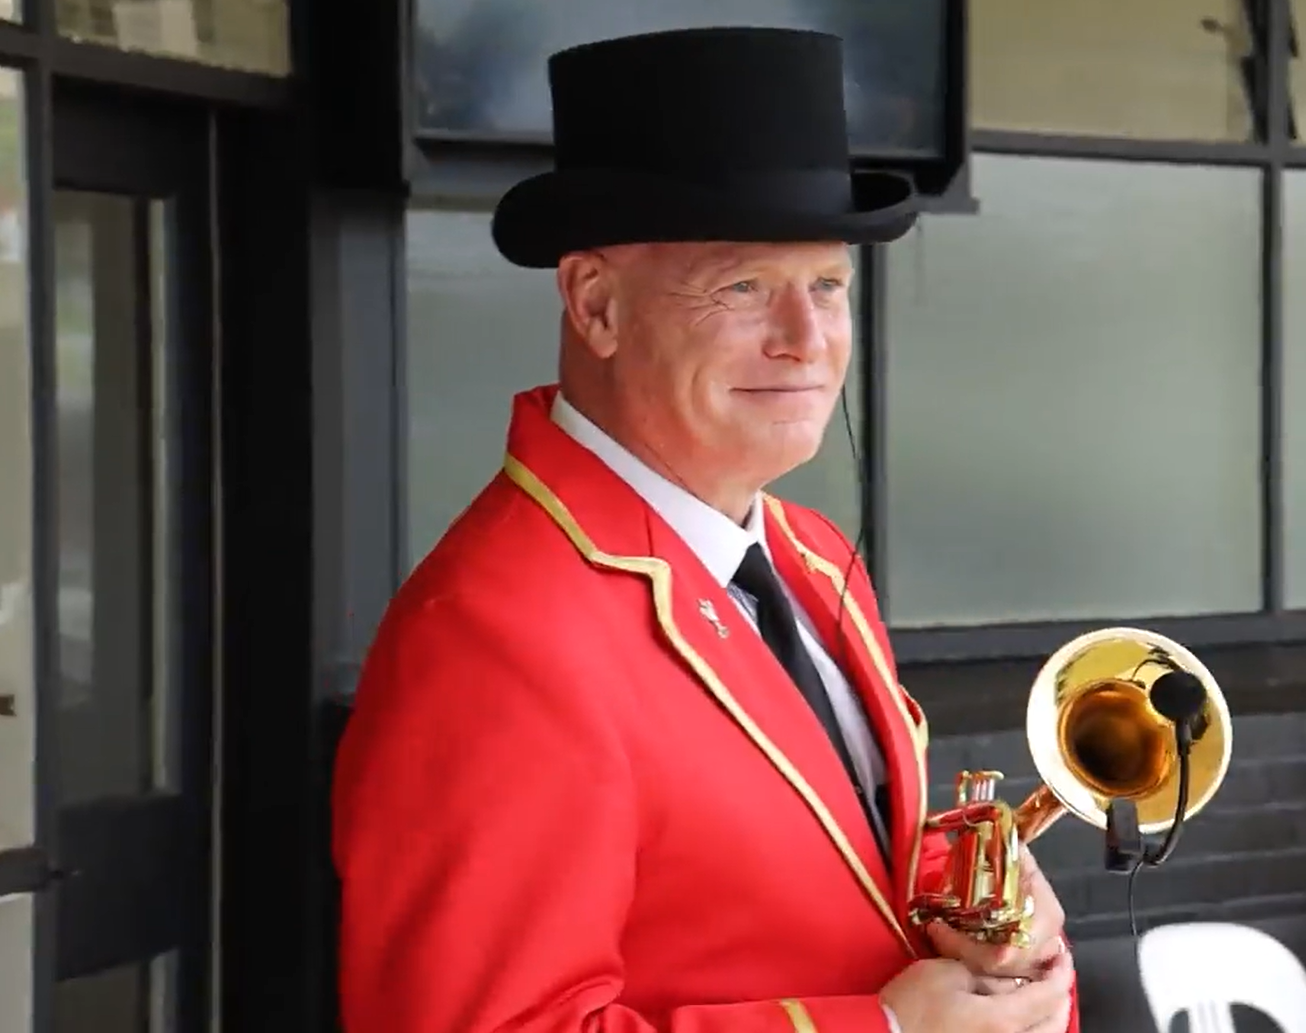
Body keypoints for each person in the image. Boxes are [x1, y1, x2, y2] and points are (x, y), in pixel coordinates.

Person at [331, 26, 1080, 1033]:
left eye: (827, 286)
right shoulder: (490, 634)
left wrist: (994, 923)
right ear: (595, 304)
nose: (806, 340)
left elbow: (826, 856)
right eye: (743, 287)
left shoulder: (810, 554)